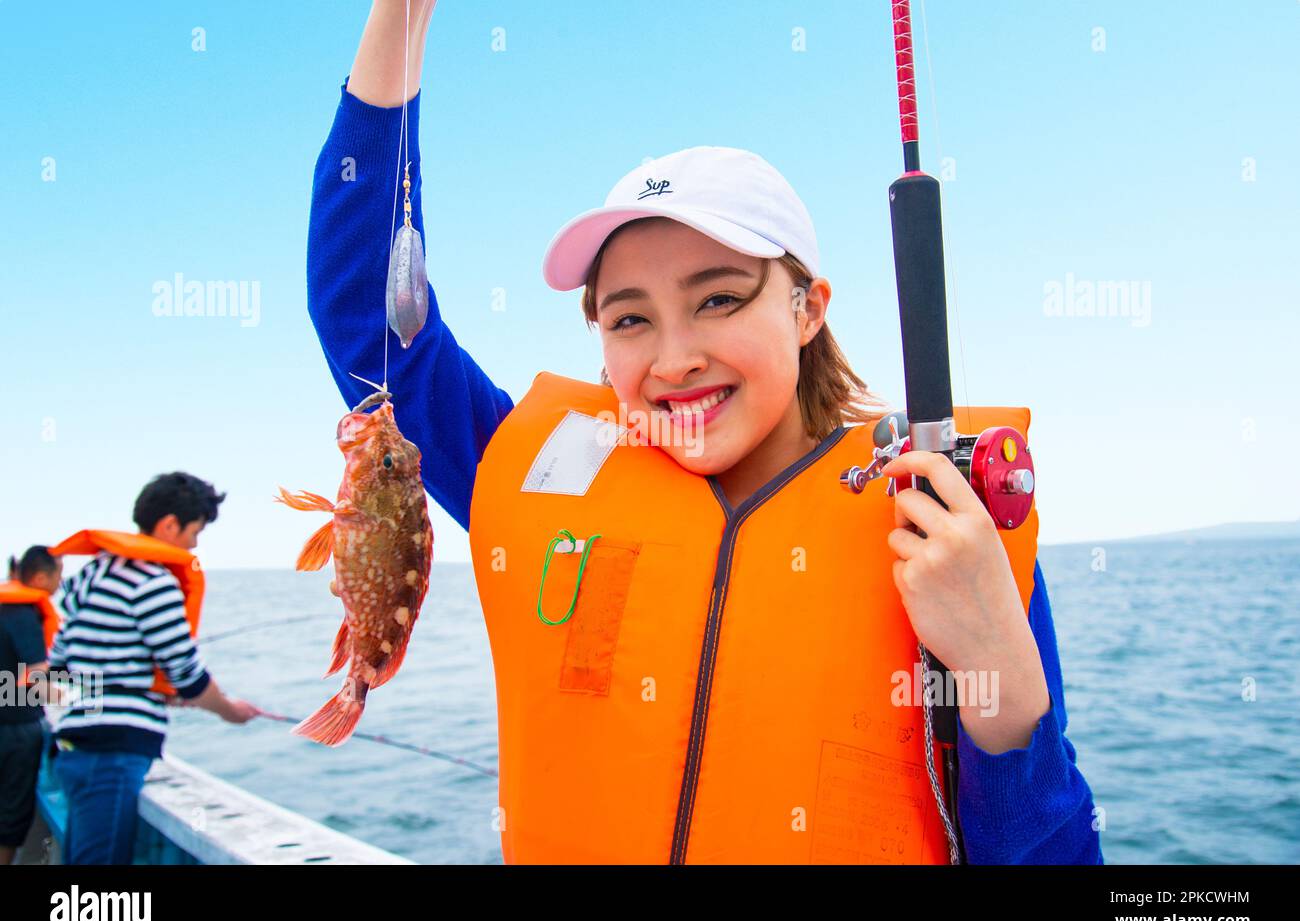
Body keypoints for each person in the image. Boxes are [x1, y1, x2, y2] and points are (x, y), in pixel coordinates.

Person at [305, 0, 1103, 864]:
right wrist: (401, 17)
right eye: (628, 320)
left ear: (806, 308)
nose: (675, 357)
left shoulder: (942, 523)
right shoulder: (538, 466)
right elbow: (367, 319)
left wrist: (1003, 681)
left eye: (718, 299)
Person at [46, 472, 260, 865]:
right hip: (114, 750)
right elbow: (187, 675)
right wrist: (231, 711)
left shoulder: (88, 577)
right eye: (194, 532)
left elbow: (59, 666)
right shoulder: (153, 583)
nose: (195, 544)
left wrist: (135, 688)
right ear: (169, 525)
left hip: (75, 744)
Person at [0, 546, 62, 864]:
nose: (59, 585)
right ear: (40, 577)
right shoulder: (23, 614)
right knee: (9, 819)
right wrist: (71, 697)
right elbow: (36, 679)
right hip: (15, 731)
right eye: (58, 577)